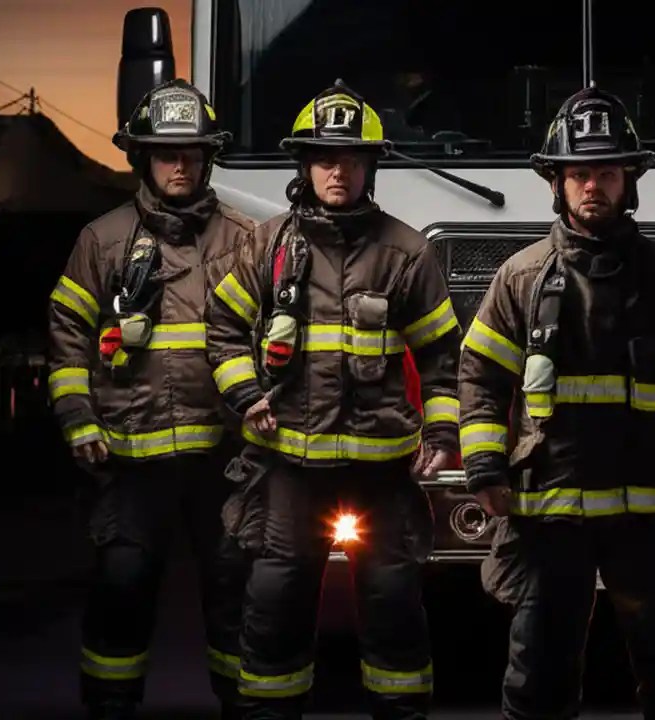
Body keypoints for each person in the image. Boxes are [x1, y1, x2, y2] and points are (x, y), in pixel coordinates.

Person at [458, 84, 655, 720]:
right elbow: (479, 378)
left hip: (651, 520)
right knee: (539, 676)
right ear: (556, 183)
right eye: (579, 174)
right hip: (548, 517)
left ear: (629, 181)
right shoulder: (521, 279)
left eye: (606, 173)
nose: (593, 187)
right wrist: (483, 468)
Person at [204, 79, 460, 720]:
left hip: (382, 472)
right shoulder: (265, 247)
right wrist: (246, 393)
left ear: (370, 166)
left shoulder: (408, 252)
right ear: (304, 166)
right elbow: (224, 330)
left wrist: (441, 434)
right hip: (289, 464)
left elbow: (441, 359)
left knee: (394, 602)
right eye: (324, 158)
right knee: (275, 600)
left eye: (349, 159)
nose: (337, 171)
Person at [47, 78, 252, 720]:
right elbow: (67, 335)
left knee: (235, 592)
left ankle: (248, 707)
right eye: (167, 152)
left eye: (192, 151)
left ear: (208, 156)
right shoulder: (102, 241)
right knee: (122, 591)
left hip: (227, 461)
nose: (180, 163)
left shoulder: (248, 239)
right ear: (141, 156)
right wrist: (78, 416)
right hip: (130, 463)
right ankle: (111, 707)